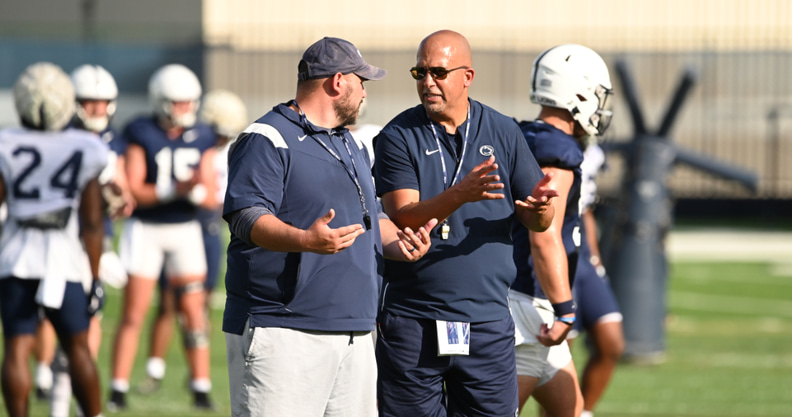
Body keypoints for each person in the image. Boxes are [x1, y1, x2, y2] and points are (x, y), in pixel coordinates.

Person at [222, 36, 436, 417]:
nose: (364, 93)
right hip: (284, 331)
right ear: (338, 82)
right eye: (362, 82)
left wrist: (399, 242)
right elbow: (246, 217)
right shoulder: (267, 138)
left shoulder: (350, 144)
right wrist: (305, 240)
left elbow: (372, 220)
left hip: (354, 332)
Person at [371, 30, 558, 417]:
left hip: (486, 320)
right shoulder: (397, 135)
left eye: (438, 72)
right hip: (412, 321)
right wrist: (461, 193)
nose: (427, 82)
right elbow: (403, 214)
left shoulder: (503, 130)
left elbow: (536, 216)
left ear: (467, 76)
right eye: (419, 73)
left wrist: (540, 211)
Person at [508, 43, 614, 416]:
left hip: (524, 302)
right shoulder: (558, 152)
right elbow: (544, 235)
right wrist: (566, 310)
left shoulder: (527, 136)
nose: (600, 107)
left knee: (571, 411)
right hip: (528, 307)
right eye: (596, 96)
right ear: (578, 92)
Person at [0, 62, 107, 417]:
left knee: (16, 347)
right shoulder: (86, 145)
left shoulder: (6, 142)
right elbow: (92, 223)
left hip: (16, 256)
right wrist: (94, 275)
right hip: (64, 258)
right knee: (78, 347)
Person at [108, 63, 217, 411]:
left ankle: (201, 386)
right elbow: (137, 190)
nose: (185, 109)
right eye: (177, 102)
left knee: (193, 311)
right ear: (160, 100)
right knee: (134, 312)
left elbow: (213, 195)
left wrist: (198, 193)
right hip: (147, 229)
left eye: (189, 102)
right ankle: (117, 387)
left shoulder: (203, 135)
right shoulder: (141, 131)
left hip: (185, 229)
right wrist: (178, 188)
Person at [138, 88, 247, 393]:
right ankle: (155, 370)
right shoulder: (198, 144)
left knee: (196, 306)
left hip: (207, 229)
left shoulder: (235, 150)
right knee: (168, 301)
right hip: (183, 224)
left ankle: (198, 378)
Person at [44, 63, 134, 417]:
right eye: (89, 102)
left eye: (102, 102)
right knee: (52, 322)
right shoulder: (58, 134)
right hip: (58, 241)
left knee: (85, 324)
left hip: (94, 244)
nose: (97, 110)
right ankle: (55, 397)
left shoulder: (111, 140)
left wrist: (119, 197)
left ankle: (68, 405)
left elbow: (122, 188)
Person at [569, 140, 625, 417]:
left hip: (584, 256)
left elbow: (585, 210)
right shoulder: (546, 144)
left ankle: (583, 412)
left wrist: (595, 259)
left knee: (611, 342)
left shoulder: (592, 149)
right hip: (558, 252)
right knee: (554, 362)